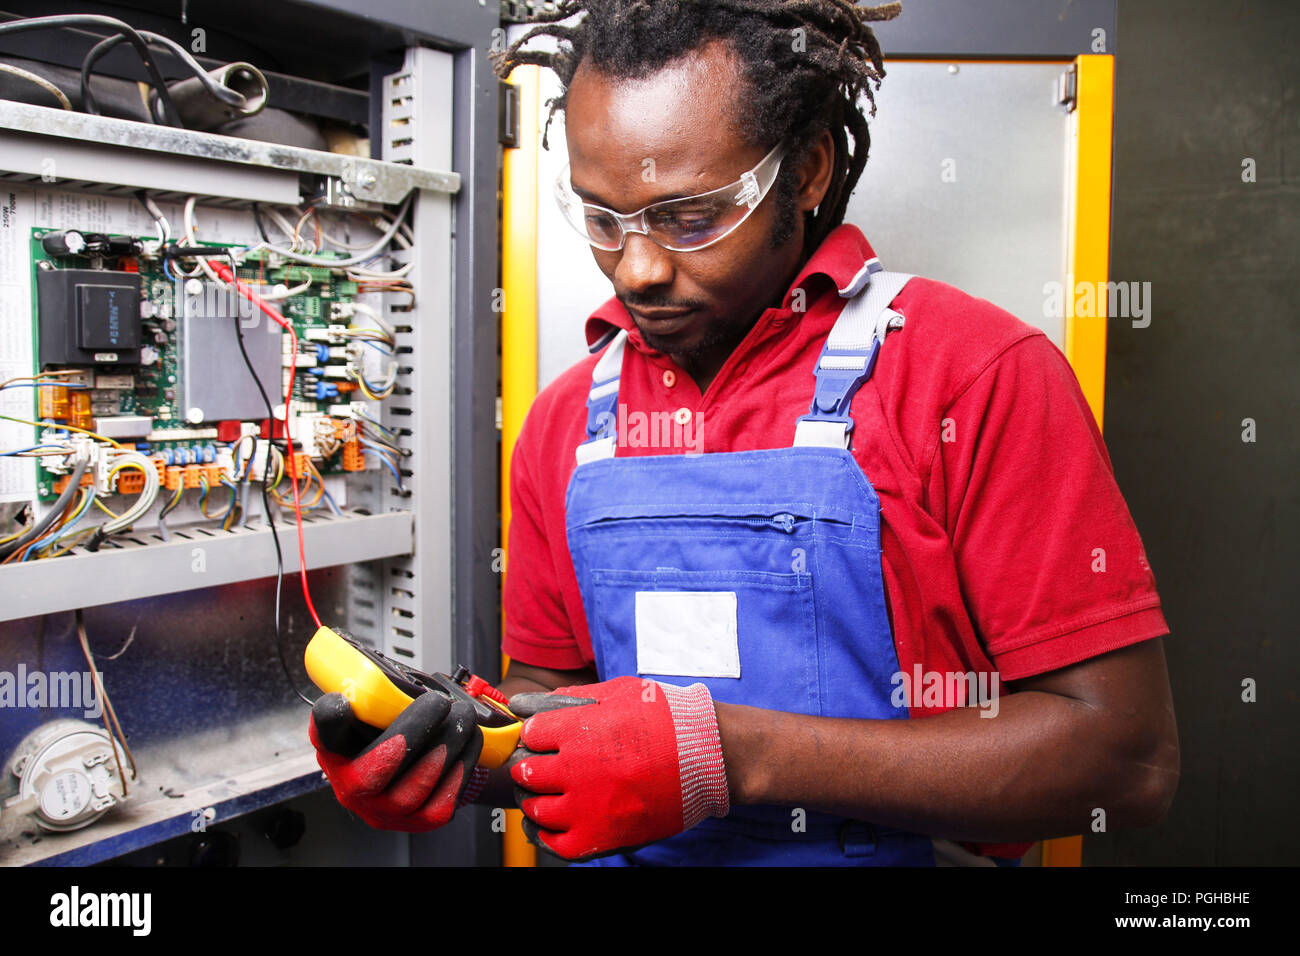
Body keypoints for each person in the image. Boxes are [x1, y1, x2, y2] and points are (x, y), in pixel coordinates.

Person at [309, 0, 1180, 867]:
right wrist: (450, 762)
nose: (640, 270)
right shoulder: (566, 422)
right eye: (604, 220)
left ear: (804, 171)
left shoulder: (973, 375)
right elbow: (553, 700)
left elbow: (1127, 759)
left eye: (691, 217)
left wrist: (730, 755)